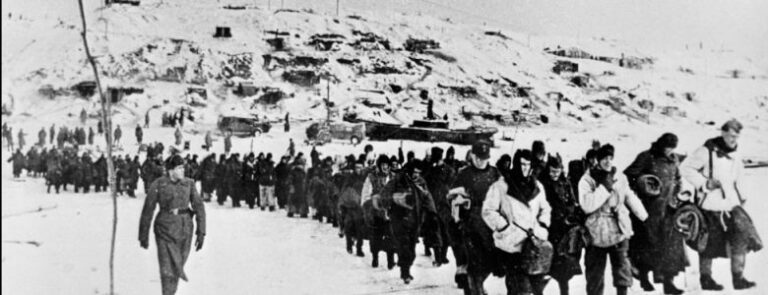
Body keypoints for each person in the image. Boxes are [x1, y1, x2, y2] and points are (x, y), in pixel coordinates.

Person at [680, 119, 761, 290]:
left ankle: (738, 278)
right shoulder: (705, 151)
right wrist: (704, 183)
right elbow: (686, 168)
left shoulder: (736, 153)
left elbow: (739, 176)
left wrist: (742, 196)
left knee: (740, 238)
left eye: (736, 136)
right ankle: (706, 278)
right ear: (723, 133)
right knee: (709, 242)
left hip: (731, 205)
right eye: (731, 135)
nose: (733, 139)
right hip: (710, 204)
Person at [579, 144, 648, 295]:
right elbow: (587, 205)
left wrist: (644, 216)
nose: (608, 162)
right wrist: (604, 188)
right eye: (604, 158)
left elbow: (628, 196)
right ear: (597, 160)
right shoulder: (587, 180)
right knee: (595, 276)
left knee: (622, 270)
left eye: (610, 158)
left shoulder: (619, 177)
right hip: (596, 231)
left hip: (618, 228)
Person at [623, 133, 687, 294]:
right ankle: (644, 279)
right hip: (648, 210)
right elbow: (628, 175)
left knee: (670, 247)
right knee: (646, 245)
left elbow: (678, 179)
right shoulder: (646, 157)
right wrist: (642, 183)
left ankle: (668, 282)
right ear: (660, 145)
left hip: (669, 209)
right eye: (667, 147)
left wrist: (678, 193)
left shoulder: (674, 160)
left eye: (673, 148)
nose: (670, 151)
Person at [483, 149, 551, 295]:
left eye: (528, 164)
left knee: (536, 288)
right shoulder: (501, 186)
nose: (524, 168)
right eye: (521, 164)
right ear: (515, 164)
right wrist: (504, 227)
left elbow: (545, 209)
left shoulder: (538, 187)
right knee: (519, 289)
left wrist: (542, 226)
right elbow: (488, 211)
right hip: (512, 245)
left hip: (533, 244)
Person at [139, 155, 206, 295]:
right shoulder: (158, 184)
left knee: (176, 268)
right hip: (164, 229)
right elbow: (148, 209)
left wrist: (201, 232)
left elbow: (199, 207)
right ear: (170, 171)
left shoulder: (189, 184)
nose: (183, 170)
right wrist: (143, 235)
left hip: (185, 229)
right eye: (179, 168)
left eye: (183, 167)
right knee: (167, 270)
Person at [447, 139, 502, 294]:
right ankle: (475, 289)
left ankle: (476, 286)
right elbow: (451, 196)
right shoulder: (464, 174)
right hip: (470, 227)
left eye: (483, 158)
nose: (480, 161)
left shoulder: (495, 173)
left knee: (491, 262)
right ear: (472, 155)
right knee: (475, 264)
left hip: (491, 226)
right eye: (477, 157)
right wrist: (461, 200)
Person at [380, 159, 437, 284]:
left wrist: (433, 212)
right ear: (410, 170)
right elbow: (384, 194)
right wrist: (394, 200)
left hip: (415, 219)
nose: (416, 174)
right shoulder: (399, 179)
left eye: (419, 172)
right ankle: (405, 272)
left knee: (411, 249)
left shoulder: (421, 182)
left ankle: (406, 267)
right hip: (399, 219)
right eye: (415, 171)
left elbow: (428, 197)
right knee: (404, 245)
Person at [540, 155, 587, 295]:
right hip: (549, 229)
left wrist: (573, 213)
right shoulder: (542, 184)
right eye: (552, 171)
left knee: (563, 270)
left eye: (557, 171)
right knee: (545, 266)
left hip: (563, 230)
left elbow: (571, 201)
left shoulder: (565, 183)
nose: (554, 174)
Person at [361, 155, 396, 268]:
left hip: (390, 212)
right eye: (383, 165)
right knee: (376, 236)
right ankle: (375, 257)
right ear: (379, 166)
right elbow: (366, 194)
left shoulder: (394, 177)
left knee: (391, 235)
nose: (385, 167)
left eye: (387, 165)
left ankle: (390, 259)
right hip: (376, 211)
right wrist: (369, 206)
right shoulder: (371, 177)